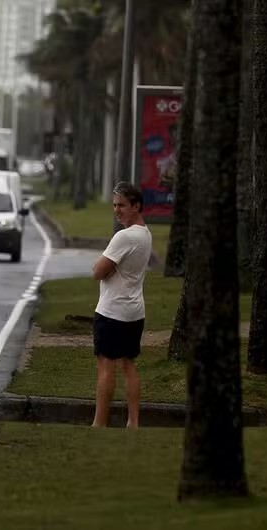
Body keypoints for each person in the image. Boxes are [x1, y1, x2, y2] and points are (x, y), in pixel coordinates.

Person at [90, 181, 152, 429]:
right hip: (135, 311)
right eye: (115, 205)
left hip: (112, 311)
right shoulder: (145, 234)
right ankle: (133, 422)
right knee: (129, 364)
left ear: (136, 206)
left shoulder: (124, 237)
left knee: (106, 366)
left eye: (122, 205)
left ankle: (99, 423)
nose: (117, 210)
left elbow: (98, 271)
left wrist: (105, 267)